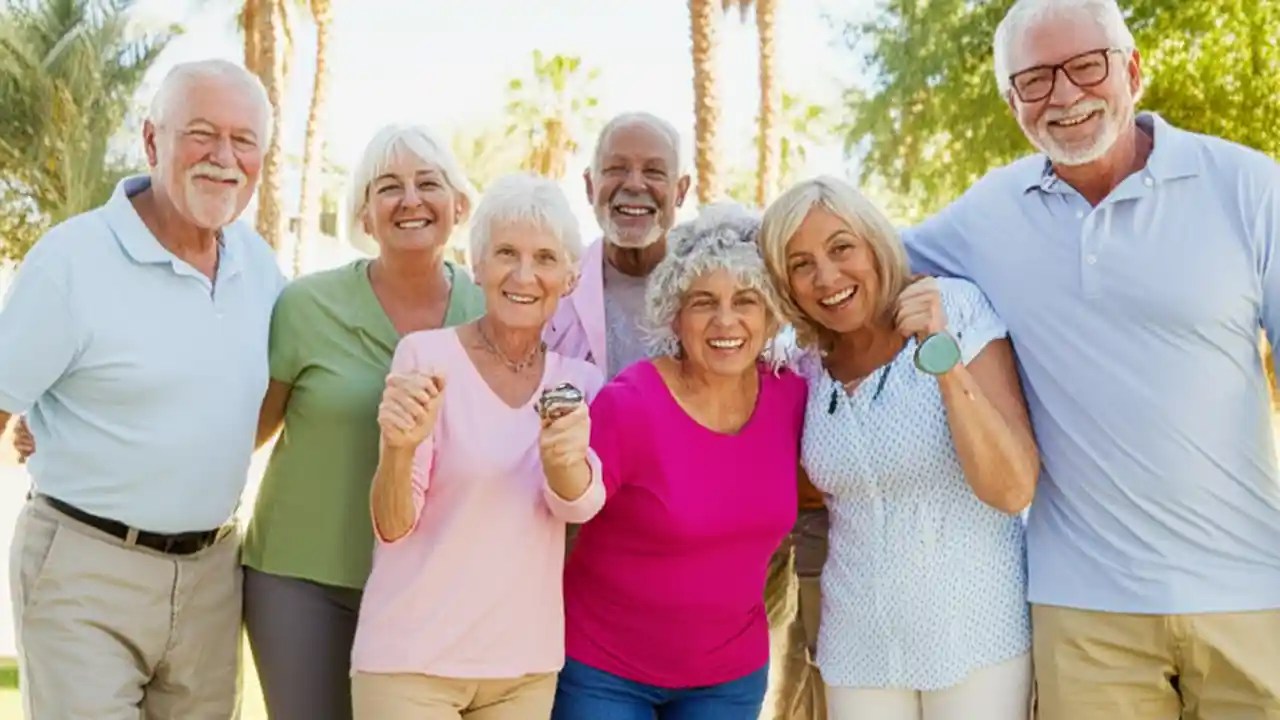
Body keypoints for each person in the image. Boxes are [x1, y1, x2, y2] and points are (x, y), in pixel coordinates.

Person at [903, 0, 1280, 716]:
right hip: (1084, 614)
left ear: (1132, 70)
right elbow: (854, 261)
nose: (1066, 95)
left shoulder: (1249, 186)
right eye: (1037, 79)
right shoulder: (988, 214)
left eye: (1086, 66)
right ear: (1012, 100)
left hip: (1254, 594)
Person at [0, 60, 284, 719]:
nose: (223, 157)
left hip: (214, 574)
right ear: (153, 142)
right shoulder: (72, 261)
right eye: (202, 134)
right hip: (84, 569)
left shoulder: (259, 266)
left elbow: (259, 401)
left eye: (244, 140)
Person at [545, 112, 822, 719]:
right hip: (605, 667)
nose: (726, 321)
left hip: (728, 673)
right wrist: (561, 459)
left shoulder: (791, 398)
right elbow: (575, 498)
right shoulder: (628, 395)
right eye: (704, 304)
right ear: (674, 315)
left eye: (746, 303)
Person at [760, 176, 1039, 719]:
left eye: (842, 248)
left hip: (978, 636)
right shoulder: (801, 365)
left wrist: (940, 353)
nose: (827, 277)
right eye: (801, 264)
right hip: (856, 645)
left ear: (875, 243)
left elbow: (1011, 488)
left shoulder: (955, 308)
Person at [241, 124, 485, 719]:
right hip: (302, 581)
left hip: (432, 588)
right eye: (388, 187)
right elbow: (243, 430)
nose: (410, 200)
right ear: (365, 216)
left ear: (459, 204)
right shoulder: (305, 305)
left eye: (429, 183)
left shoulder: (488, 311)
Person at [349, 173, 604, 719]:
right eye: (506, 253)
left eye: (544, 258)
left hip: (523, 670)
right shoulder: (426, 358)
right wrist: (398, 448)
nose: (524, 275)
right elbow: (393, 524)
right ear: (478, 263)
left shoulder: (580, 383)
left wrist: (563, 461)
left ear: (569, 276)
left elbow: (577, 506)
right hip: (411, 663)